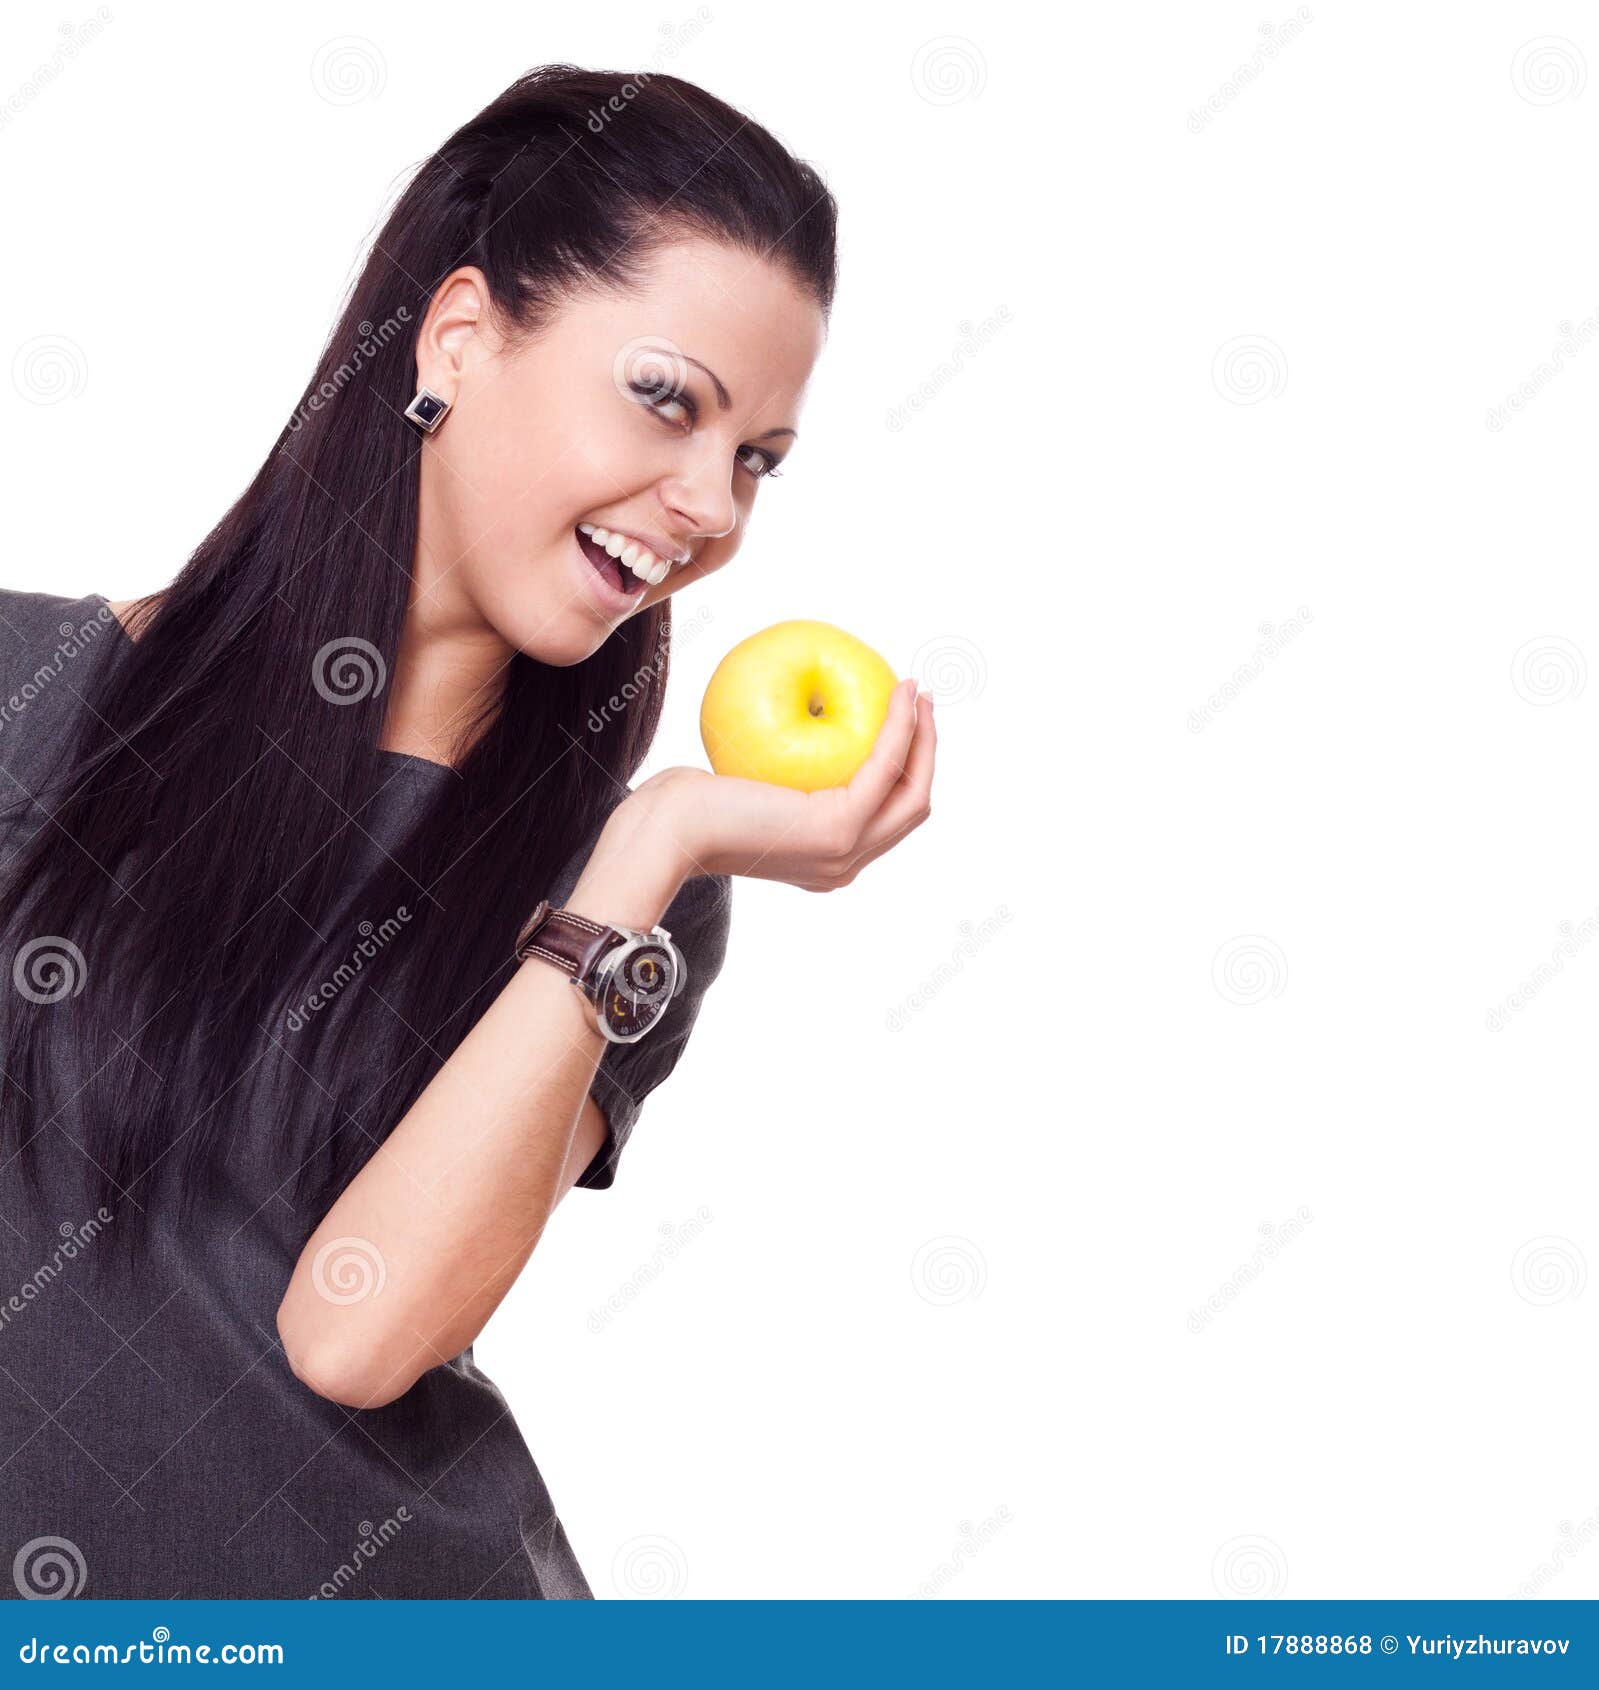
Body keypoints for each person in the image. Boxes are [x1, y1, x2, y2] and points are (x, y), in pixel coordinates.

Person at [0, 64, 934, 1600]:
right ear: (458, 338)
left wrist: (658, 841)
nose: (709, 503)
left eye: (756, 457)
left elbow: (355, 1335)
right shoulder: (33, 691)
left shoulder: (632, 896)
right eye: (665, 399)